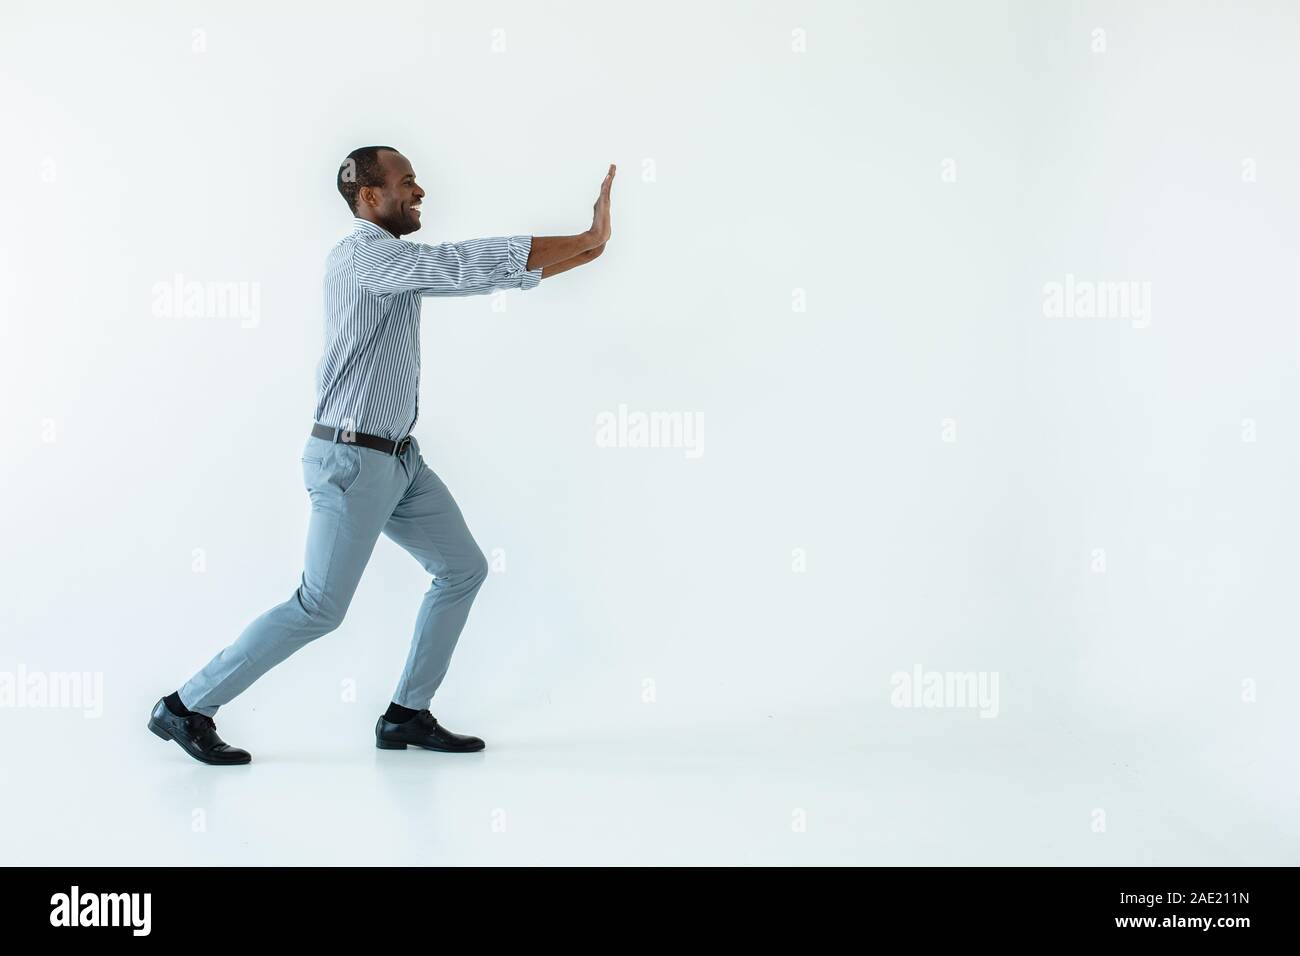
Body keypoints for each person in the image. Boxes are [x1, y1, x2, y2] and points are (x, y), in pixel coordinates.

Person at [148, 146, 615, 764]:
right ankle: (184, 707)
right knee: (318, 608)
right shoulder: (363, 254)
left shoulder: (394, 263)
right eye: (406, 182)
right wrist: (582, 237)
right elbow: (461, 266)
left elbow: (468, 273)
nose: (419, 192)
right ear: (367, 196)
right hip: (349, 464)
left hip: (399, 462)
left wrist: (587, 250)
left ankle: (406, 716)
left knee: (463, 570)